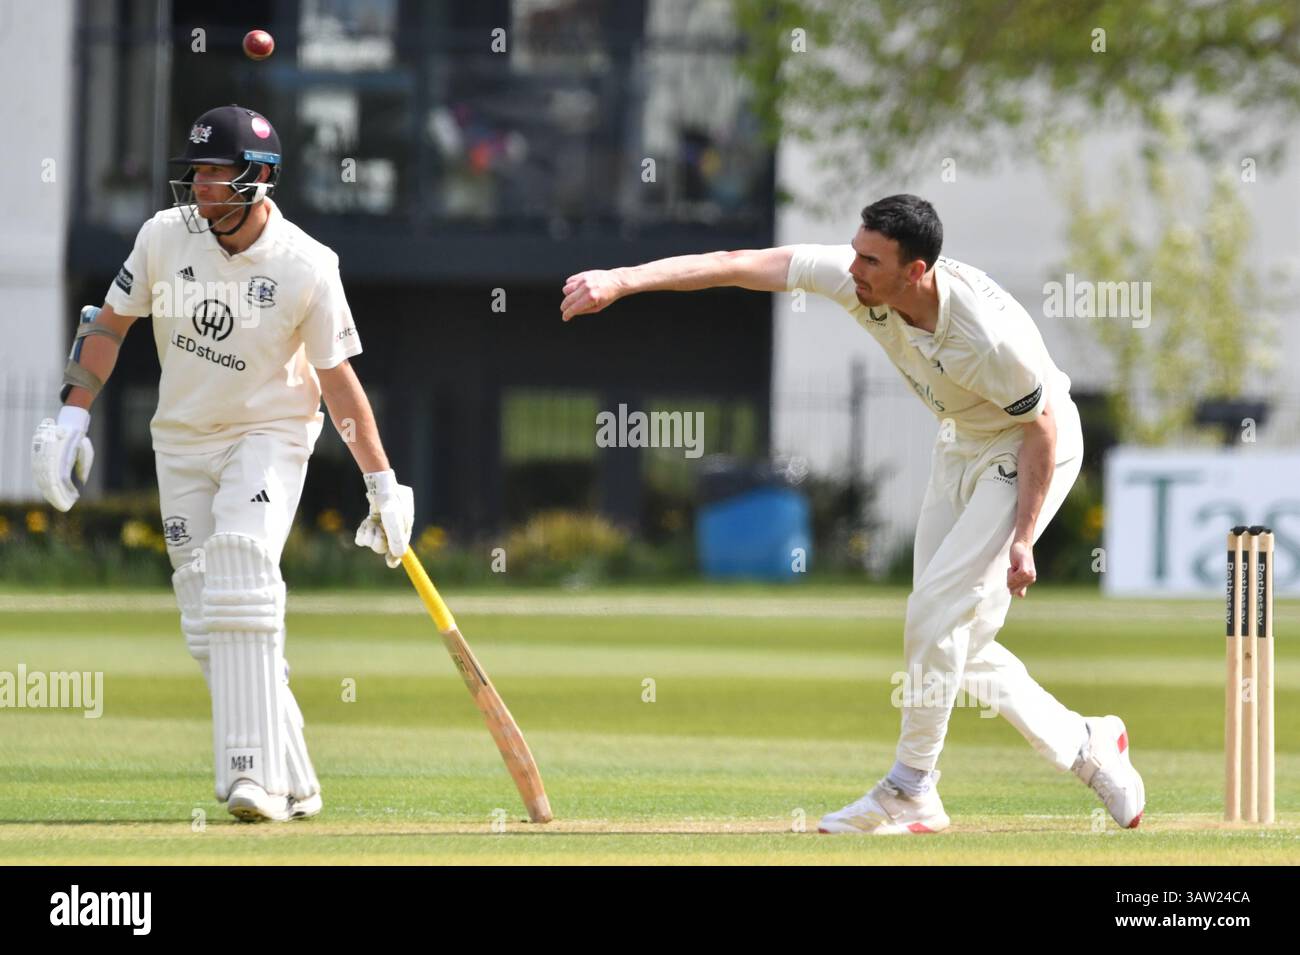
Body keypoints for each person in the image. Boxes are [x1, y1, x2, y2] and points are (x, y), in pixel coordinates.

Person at [559, 194, 1145, 834]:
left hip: (1033, 442)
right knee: (953, 641)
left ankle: (911, 788)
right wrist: (622, 280)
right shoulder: (856, 277)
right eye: (856, 252)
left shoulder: (986, 336)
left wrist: (1024, 538)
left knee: (935, 616)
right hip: (962, 440)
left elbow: (1042, 431)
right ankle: (1086, 743)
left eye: (870, 260)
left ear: (915, 270)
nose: (853, 268)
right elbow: (736, 261)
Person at [31, 104, 414, 823]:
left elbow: (339, 384)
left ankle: (250, 779)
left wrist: (381, 482)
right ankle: (297, 776)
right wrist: (72, 412)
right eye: (197, 171)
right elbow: (108, 324)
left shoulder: (307, 266)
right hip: (181, 441)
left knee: (241, 564)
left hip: (268, 434)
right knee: (209, 620)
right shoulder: (162, 237)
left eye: (219, 172)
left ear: (260, 178)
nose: (203, 186)